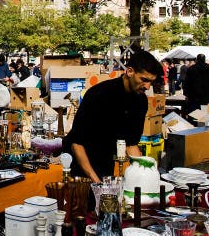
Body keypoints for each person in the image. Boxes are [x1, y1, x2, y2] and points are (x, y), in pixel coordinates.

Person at [62, 49, 163, 183]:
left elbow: (131, 144)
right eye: (144, 80)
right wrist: (97, 183)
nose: (147, 86)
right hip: (80, 165)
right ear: (130, 71)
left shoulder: (141, 101)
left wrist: (144, 177)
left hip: (106, 162)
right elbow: (77, 143)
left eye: (151, 82)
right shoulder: (98, 94)